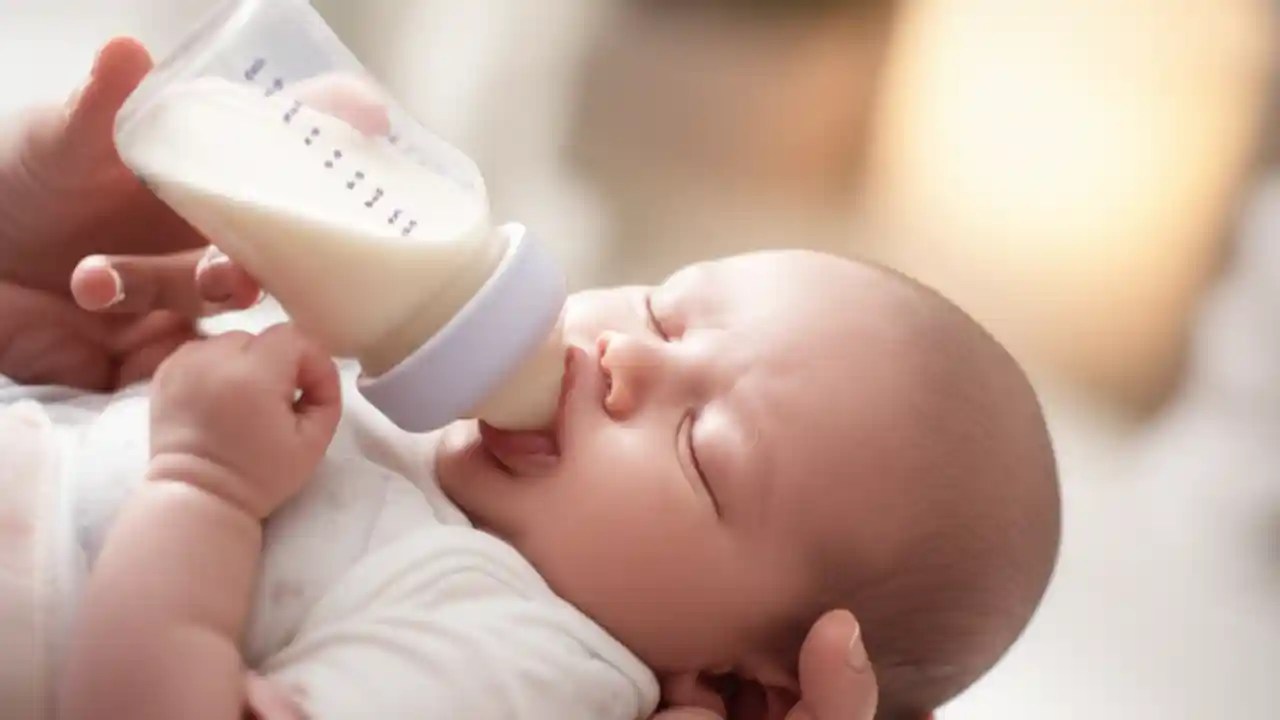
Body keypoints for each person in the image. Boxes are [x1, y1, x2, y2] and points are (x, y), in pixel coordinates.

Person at [2, 39, 1058, 720]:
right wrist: (112, 386)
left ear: (741, 684)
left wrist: (202, 488)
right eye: (662, 308)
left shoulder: (522, 661)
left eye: (699, 451)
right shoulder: (435, 471)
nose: (622, 355)